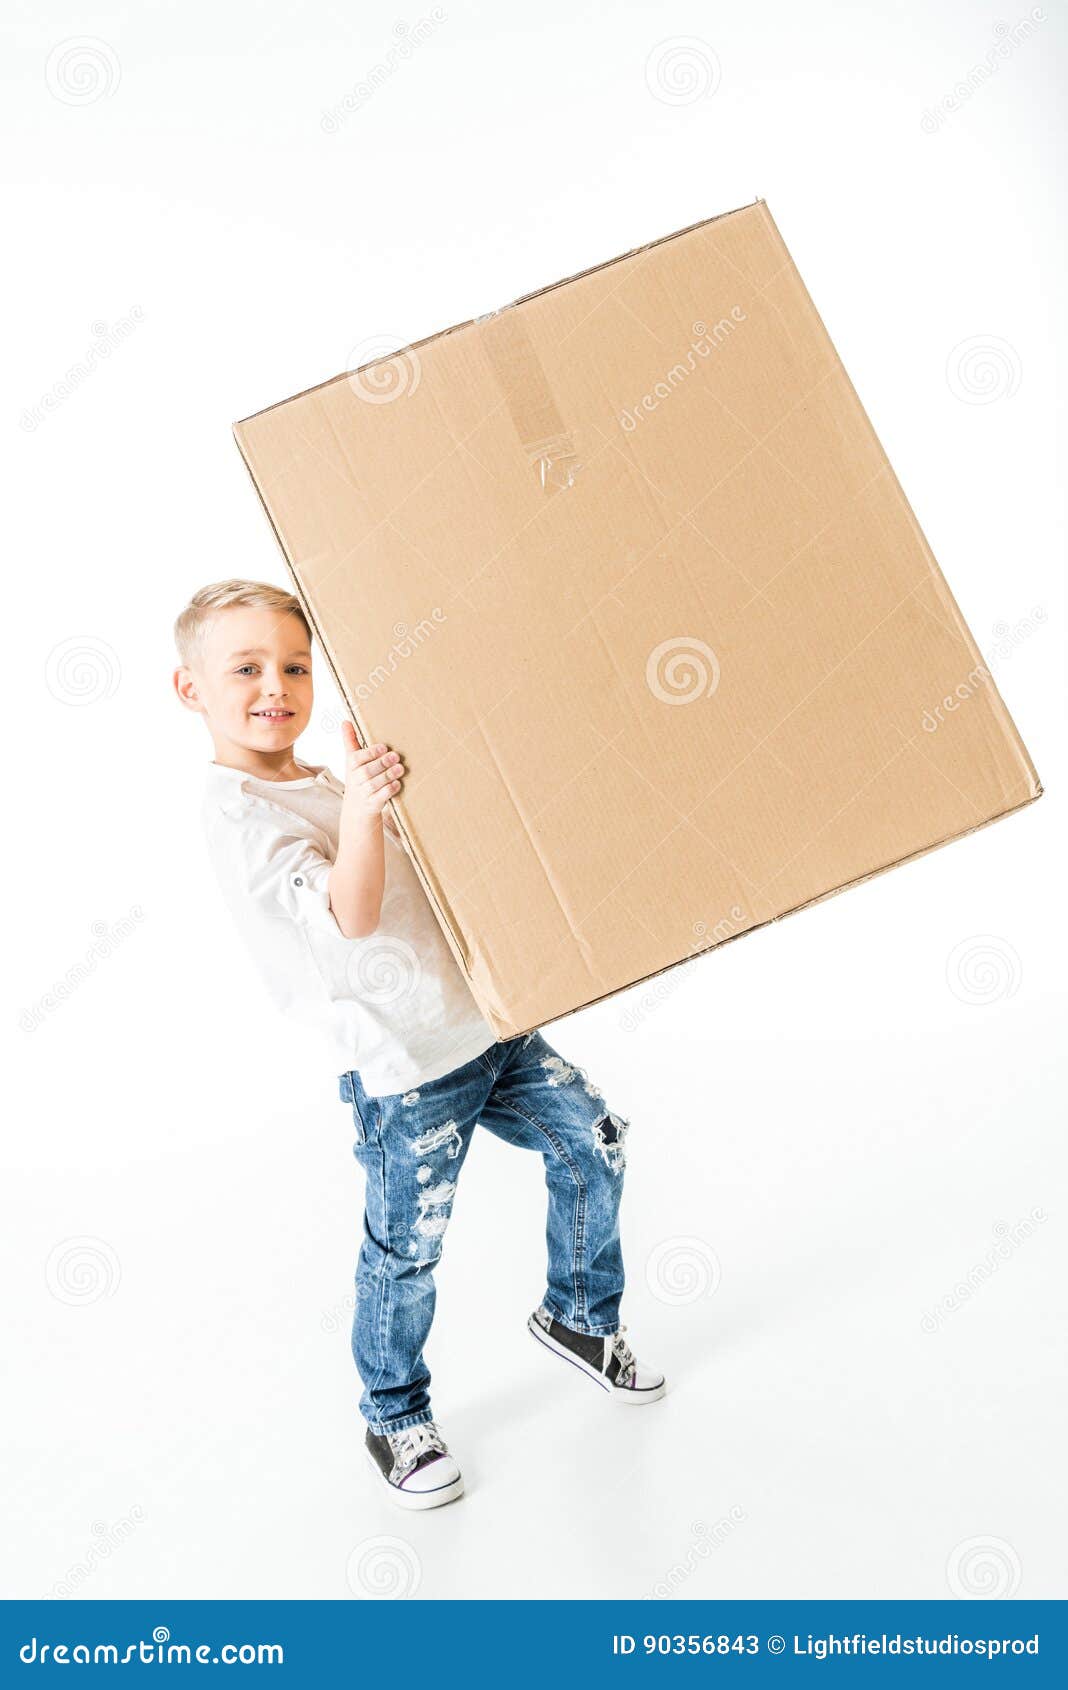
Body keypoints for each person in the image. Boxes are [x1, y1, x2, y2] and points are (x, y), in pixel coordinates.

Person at [174, 578, 666, 1510]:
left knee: (595, 1140)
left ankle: (578, 1314)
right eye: (245, 669)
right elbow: (352, 916)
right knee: (407, 1253)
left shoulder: (324, 781)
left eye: (295, 667)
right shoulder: (241, 815)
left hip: (486, 1026)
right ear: (190, 688)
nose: (276, 686)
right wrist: (364, 811)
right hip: (407, 1071)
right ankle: (394, 1414)